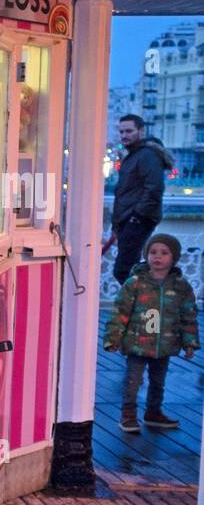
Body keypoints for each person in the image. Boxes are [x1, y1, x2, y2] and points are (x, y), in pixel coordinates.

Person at [103, 233, 198, 433]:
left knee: (158, 381)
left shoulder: (181, 288)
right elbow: (121, 311)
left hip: (164, 344)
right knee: (133, 380)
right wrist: (113, 338)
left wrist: (190, 342)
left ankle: (153, 412)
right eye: (153, 252)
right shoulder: (135, 283)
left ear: (174, 258)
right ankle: (128, 414)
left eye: (164, 253)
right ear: (147, 255)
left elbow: (188, 315)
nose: (158, 257)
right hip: (137, 343)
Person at [103, 114, 175, 285]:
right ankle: (146, 306)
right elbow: (127, 192)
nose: (124, 135)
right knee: (130, 268)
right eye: (121, 132)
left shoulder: (146, 156)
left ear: (141, 131)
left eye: (129, 131)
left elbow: (154, 187)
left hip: (135, 220)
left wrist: (137, 216)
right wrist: (118, 223)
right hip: (129, 220)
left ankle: (148, 305)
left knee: (124, 270)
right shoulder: (134, 155)